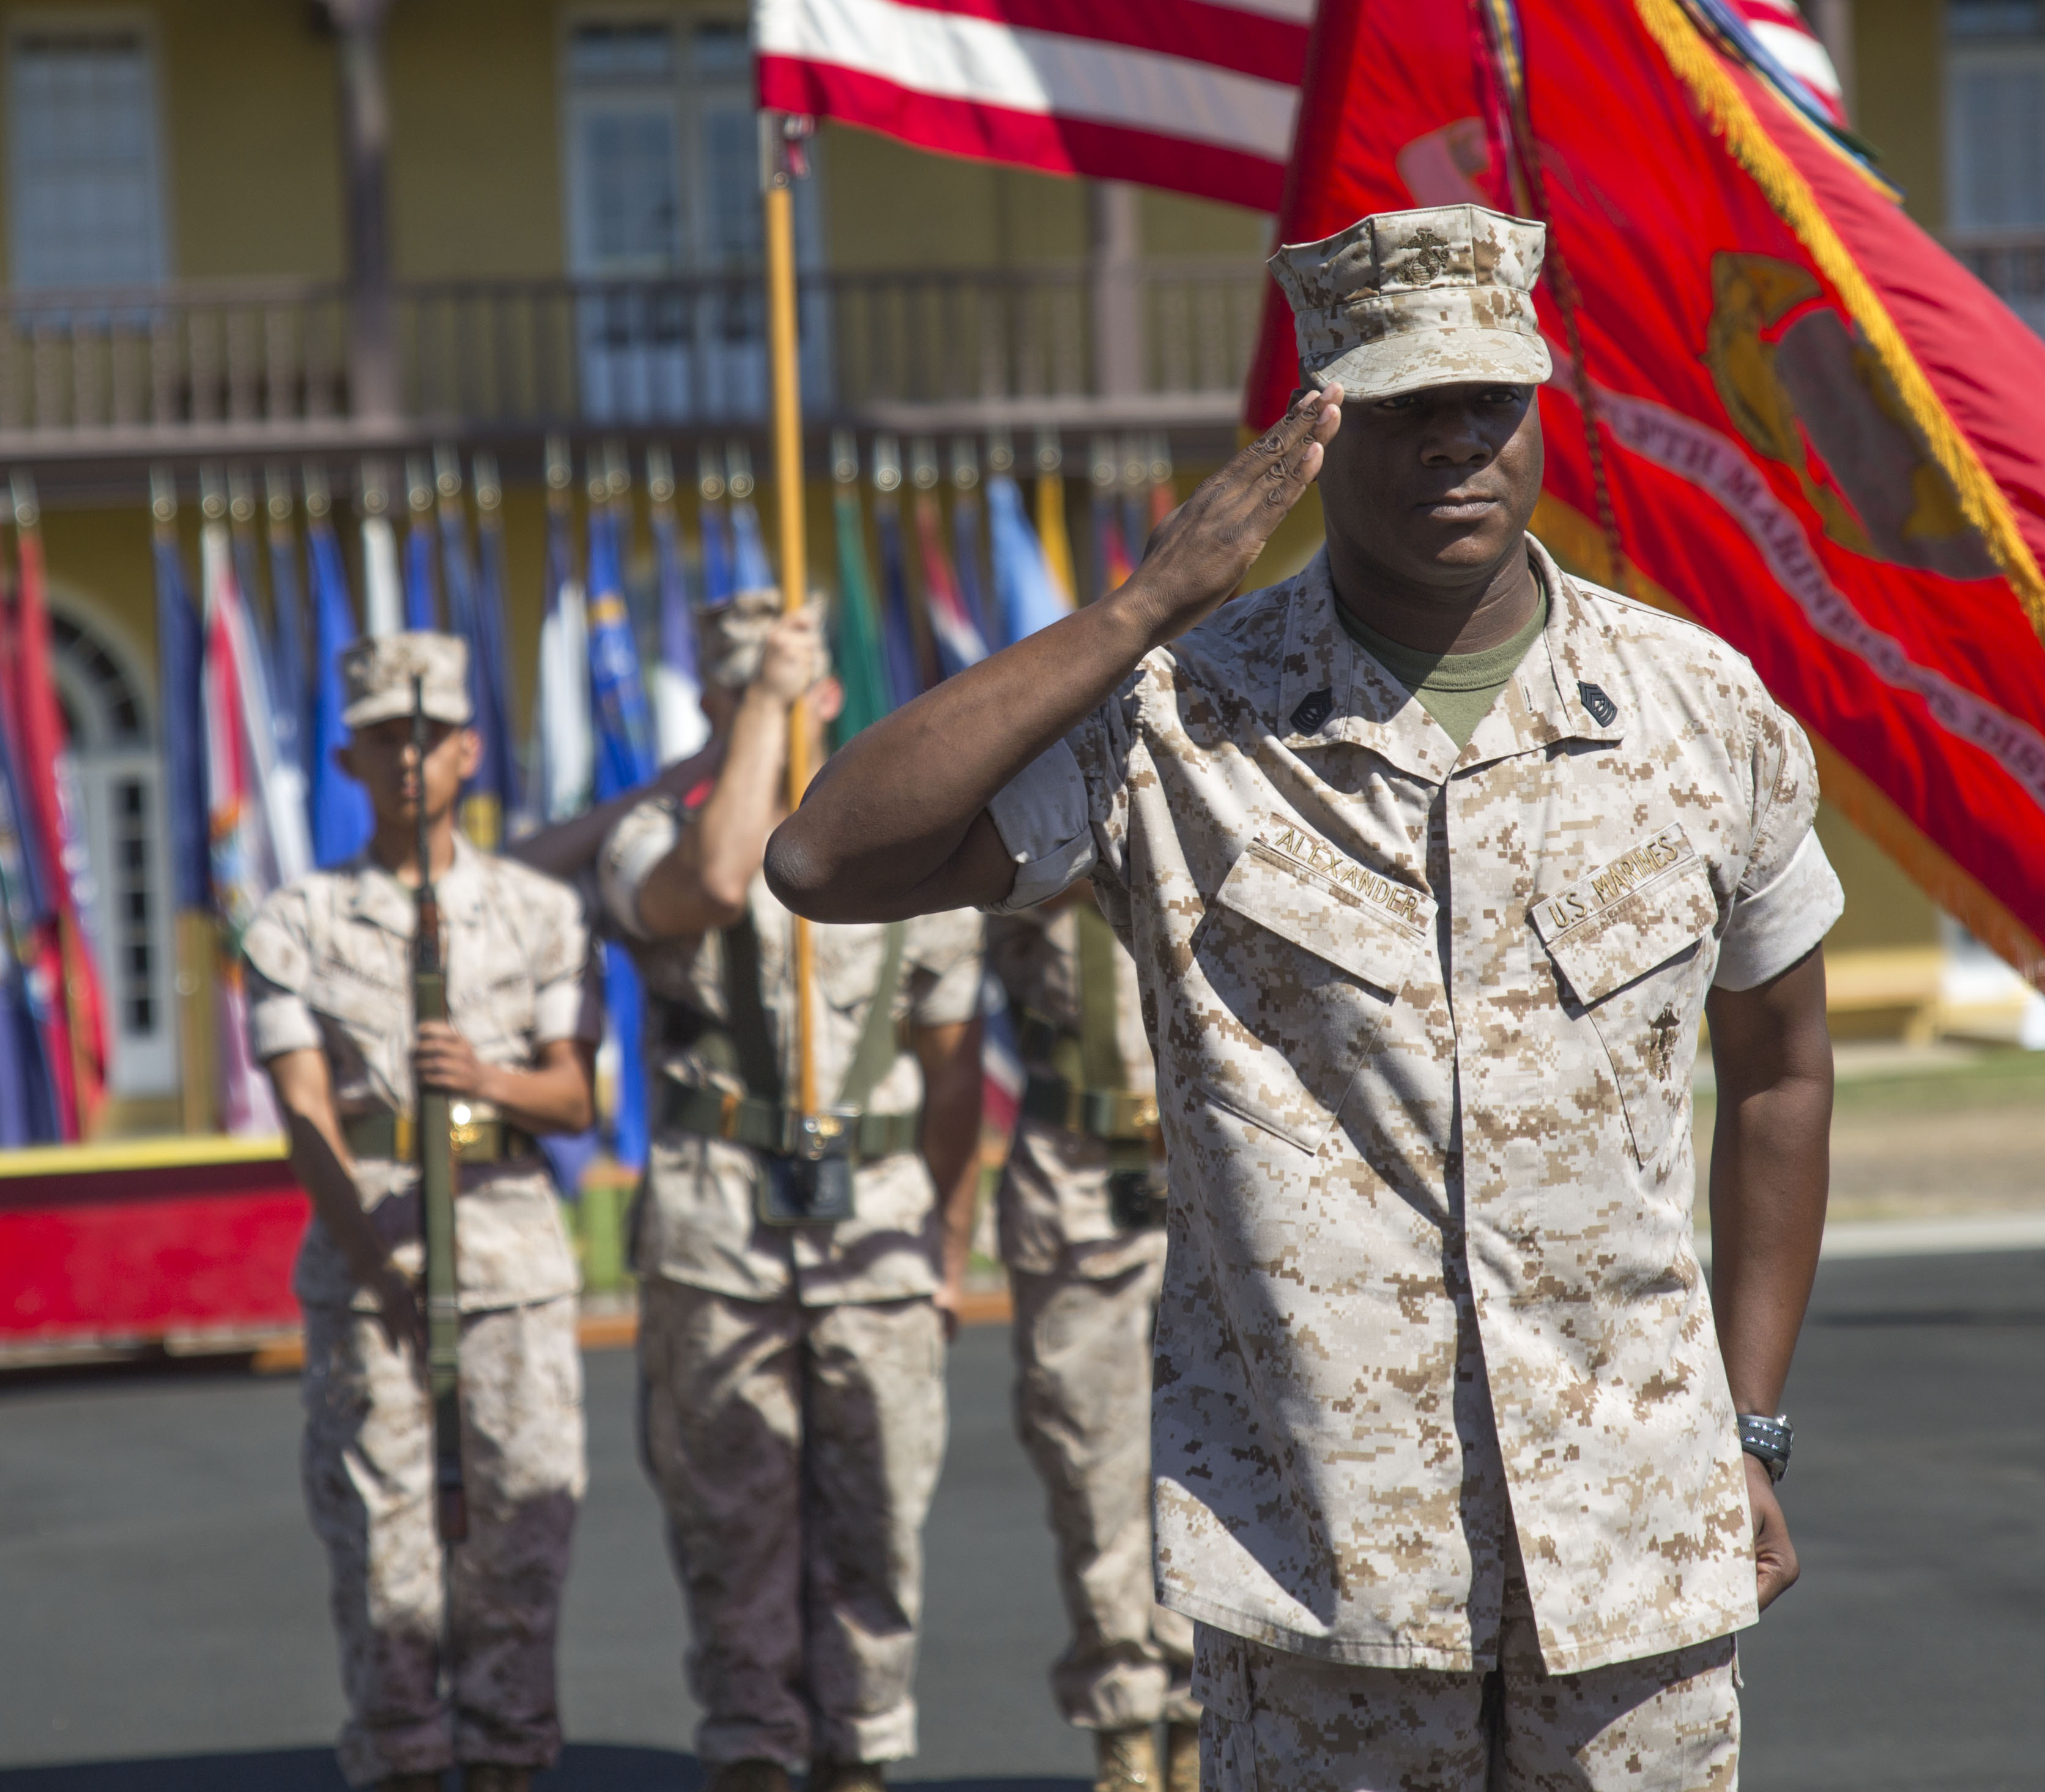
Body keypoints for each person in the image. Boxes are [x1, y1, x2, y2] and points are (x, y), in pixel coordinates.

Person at [765, 201, 1841, 1789]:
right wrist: (1142, 607)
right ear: (1319, 426)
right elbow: (825, 857)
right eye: (1406, 409)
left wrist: (1746, 1426)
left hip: (1631, 1547)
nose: (1454, 447)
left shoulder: (1697, 713)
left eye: (1490, 402)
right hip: (1323, 1579)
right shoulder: (1178, 722)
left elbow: (1778, 1070)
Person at [597, 592, 985, 1792]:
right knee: (734, 1533)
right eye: (728, 690)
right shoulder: (649, 835)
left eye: (783, 687)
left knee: (875, 1527)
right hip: (720, 1235)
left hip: (872, 1232)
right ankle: (756, 1756)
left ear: (830, 695)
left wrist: (950, 1250)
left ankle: (861, 1758)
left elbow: (950, 1069)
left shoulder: (905, 844)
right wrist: (761, 709)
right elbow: (717, 884)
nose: (752, 707)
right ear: (707, 701)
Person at [245, 632, 600, 1792]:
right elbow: (307, 1113)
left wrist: (487, 1078)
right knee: (384, 1550)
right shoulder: (295, 922)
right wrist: (376, 1266)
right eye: (388, 738)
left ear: (471, 751)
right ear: (350, 757)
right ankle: (401, 1760)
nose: (411, 759)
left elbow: (575, 1094)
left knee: (521, 1532)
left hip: (508, 1245)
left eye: (432, 736)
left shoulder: (539, 910)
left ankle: (506, 1760)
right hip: (371, 1252)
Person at [989, 896, 1199, 1792]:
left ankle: (1202, 1718)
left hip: (1217, 1172)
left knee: (1227, 1463)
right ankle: (1124, 1727)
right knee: (1090, 1468)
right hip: (1078, 1174)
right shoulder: (1037, 796)